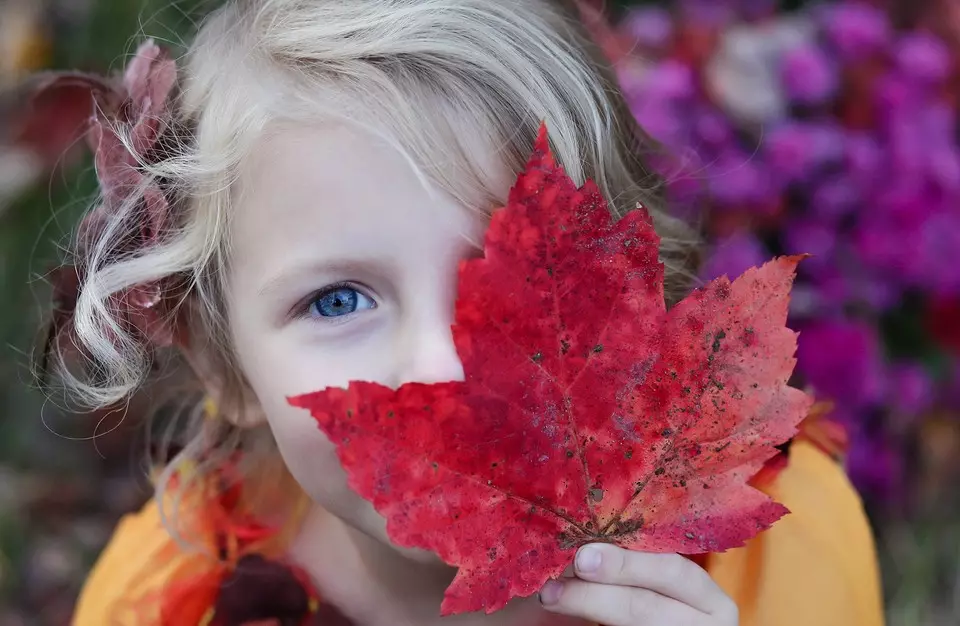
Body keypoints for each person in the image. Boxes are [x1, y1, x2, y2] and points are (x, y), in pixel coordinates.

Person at [31, 1, 885, 624]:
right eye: (337, 299)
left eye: (508, 276)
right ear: (223, 364)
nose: (443, 369)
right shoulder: (162, 605)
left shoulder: (777, 562)